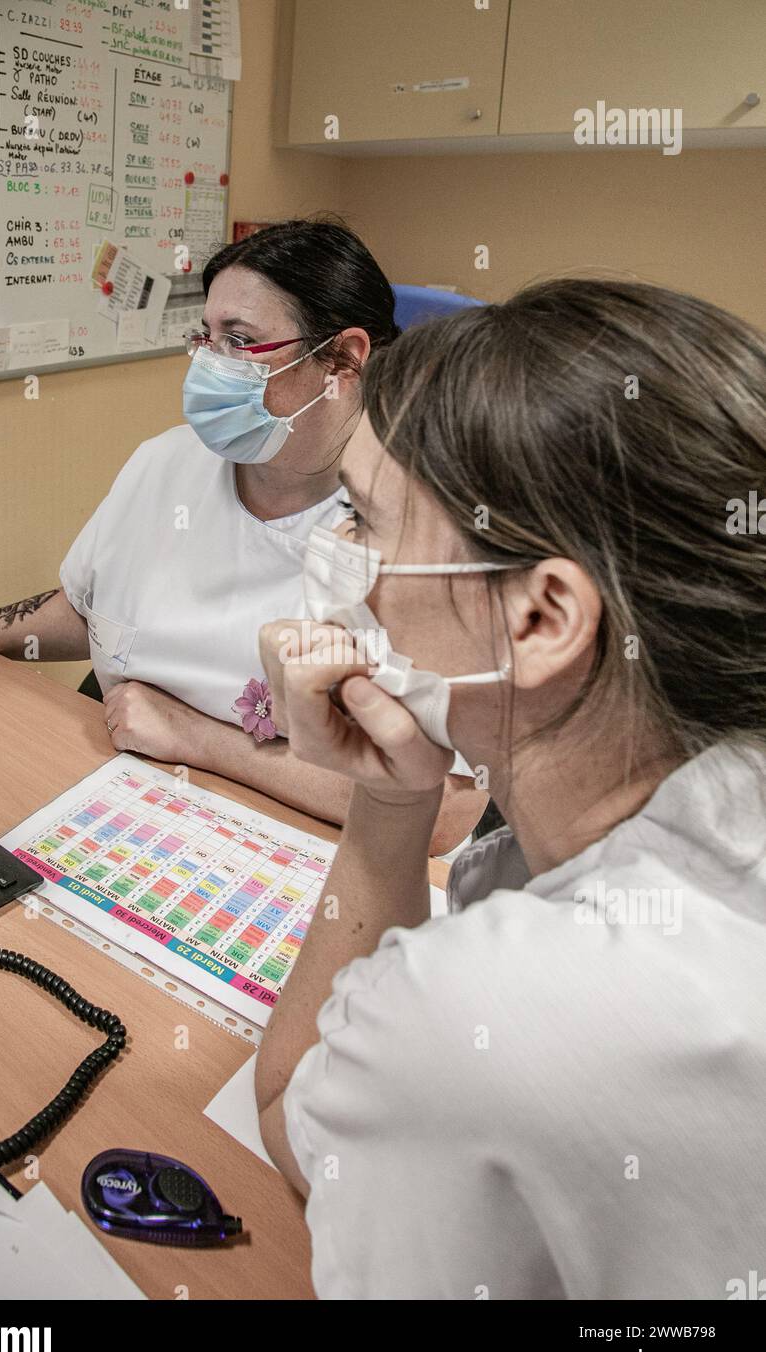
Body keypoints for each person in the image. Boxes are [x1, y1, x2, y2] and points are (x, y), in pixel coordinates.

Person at [254, 278, 766, 1299]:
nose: (333, 556)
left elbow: (291, 1119)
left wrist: (378, 819)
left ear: (539, 620)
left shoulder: (477, 1011)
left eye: (361, 517)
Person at [0, 218, 485, 851]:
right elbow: (91, 609)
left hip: (297, 855)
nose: (210, 366)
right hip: (123, 792)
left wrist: (201, 741)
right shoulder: (167, 462)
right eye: (206, 338)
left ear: (342, 358)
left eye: (240, 340)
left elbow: (445, 812)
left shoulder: (421, 533)